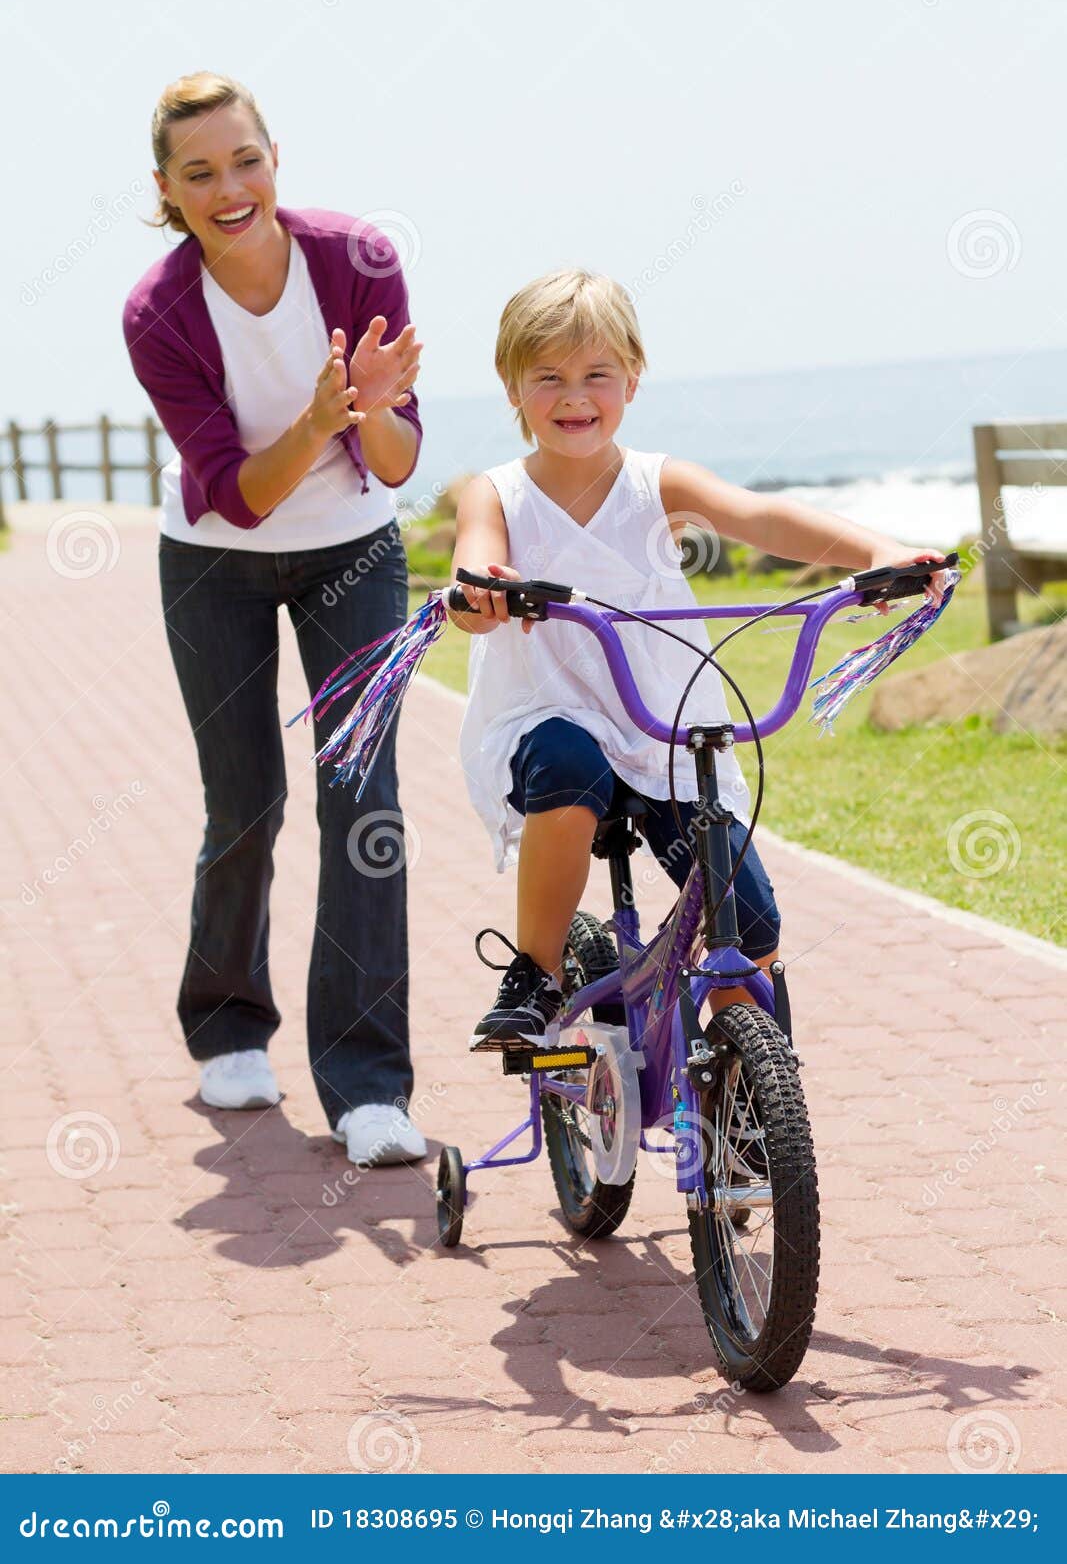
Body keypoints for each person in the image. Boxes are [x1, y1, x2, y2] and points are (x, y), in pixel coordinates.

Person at [450, 269, 947, 1049]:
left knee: (746, 925)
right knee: (568, 761)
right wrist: (480, 593)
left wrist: (879, 552)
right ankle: (535, 974)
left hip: (663, 726)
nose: (573, 396)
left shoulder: (655, 482)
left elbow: (762, 517)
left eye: (595, 376)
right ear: (511, 388)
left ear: (632, 381)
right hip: (546, 712)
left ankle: (749, 1104)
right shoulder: (497, 494)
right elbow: (474, 572)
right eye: (547, 378)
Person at [122, 70, 426, 1164]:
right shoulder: (158, 313)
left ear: (274, 153)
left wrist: (373, 413)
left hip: (355, 548)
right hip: (217, 563)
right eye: (199, 172)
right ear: (168, 189)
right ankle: (227, 1023)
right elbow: (237, 492)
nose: (229, 185)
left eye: (243, 158)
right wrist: (315, 421)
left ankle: (367, 1084)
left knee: (366, 804)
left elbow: (395, 457)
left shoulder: (356, 259)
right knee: (245, 800)